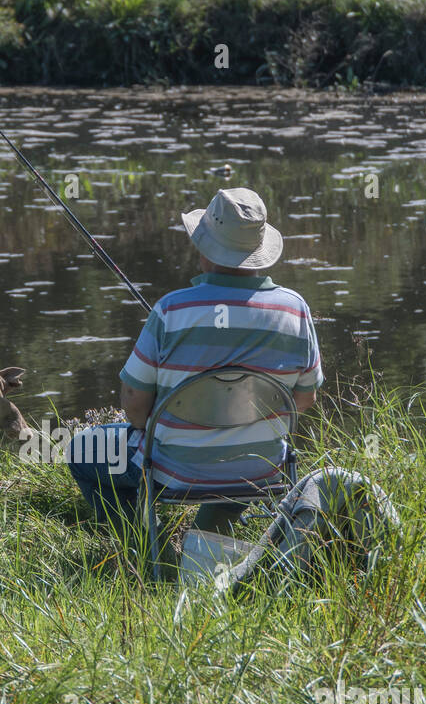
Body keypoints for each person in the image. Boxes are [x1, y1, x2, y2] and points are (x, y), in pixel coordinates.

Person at [67, 186, 324, 532]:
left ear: (204, 248)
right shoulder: (295, 311)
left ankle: (141, 546)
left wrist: (165, 423)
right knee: (237, 463)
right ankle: (209, 540)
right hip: (260, 469)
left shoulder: (172, 310)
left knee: (84, 449)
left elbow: (133, 403)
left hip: (175, 470)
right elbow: (305, 398)